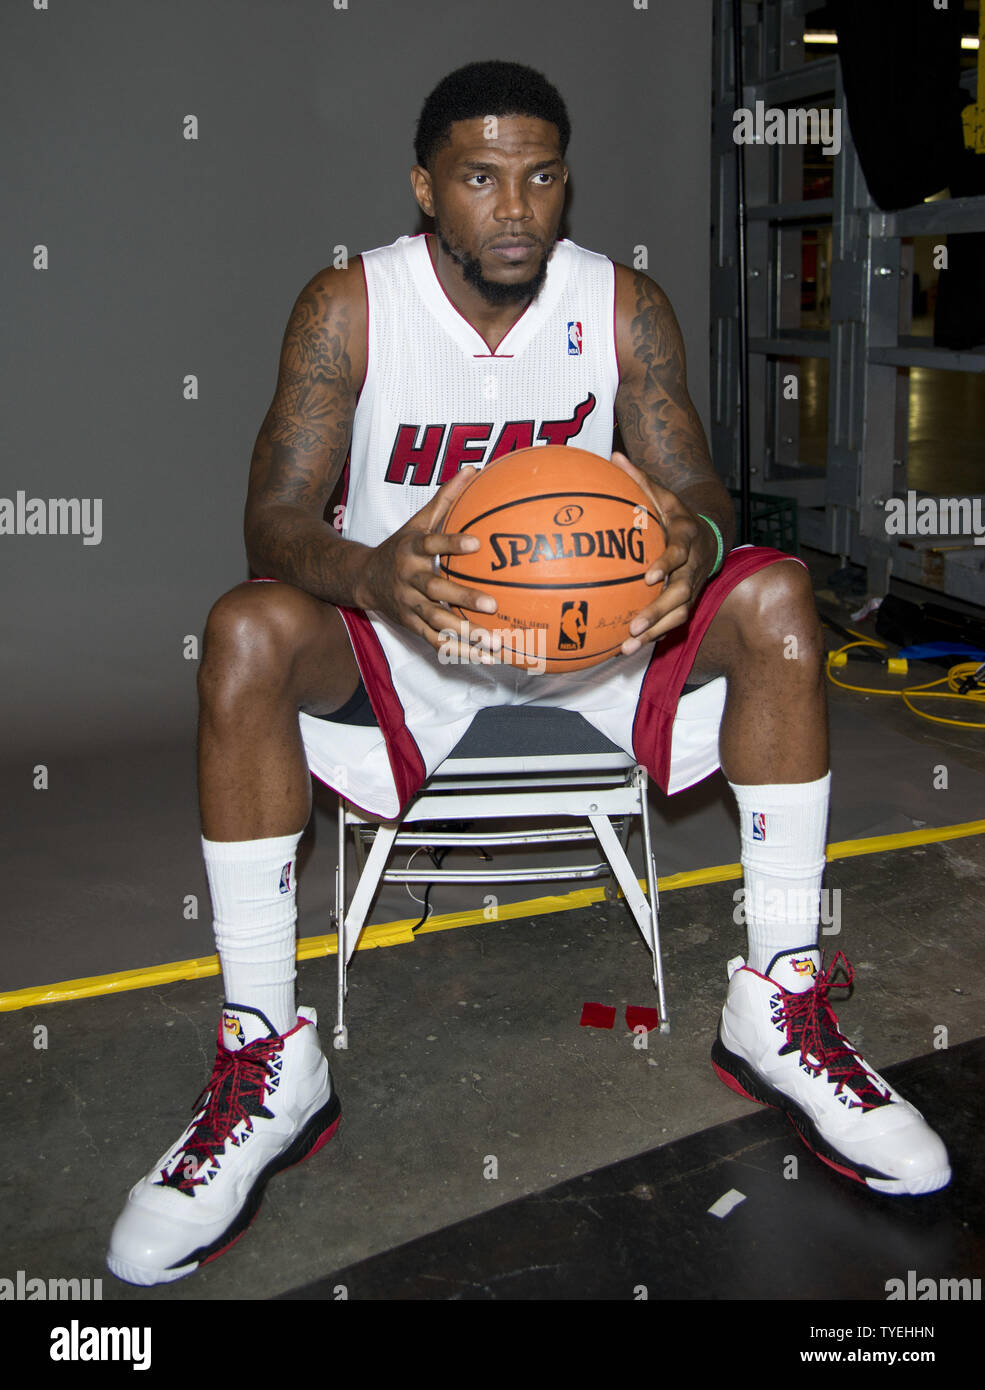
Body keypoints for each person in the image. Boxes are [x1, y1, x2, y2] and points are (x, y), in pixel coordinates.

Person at [107, 60, 950, 1287]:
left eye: (541, 177)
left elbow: (698, 486)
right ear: (424, 187)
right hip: (406, 631)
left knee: (773, 595)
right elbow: (273, 521)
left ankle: (775, 1001)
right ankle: (267, 1054)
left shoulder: (622, 305)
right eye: (480, 179)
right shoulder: (350, 305)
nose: (515, 208)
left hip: (592, 642)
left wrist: (692, 541)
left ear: (567, 182)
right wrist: (371, 572)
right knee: (243, 628)